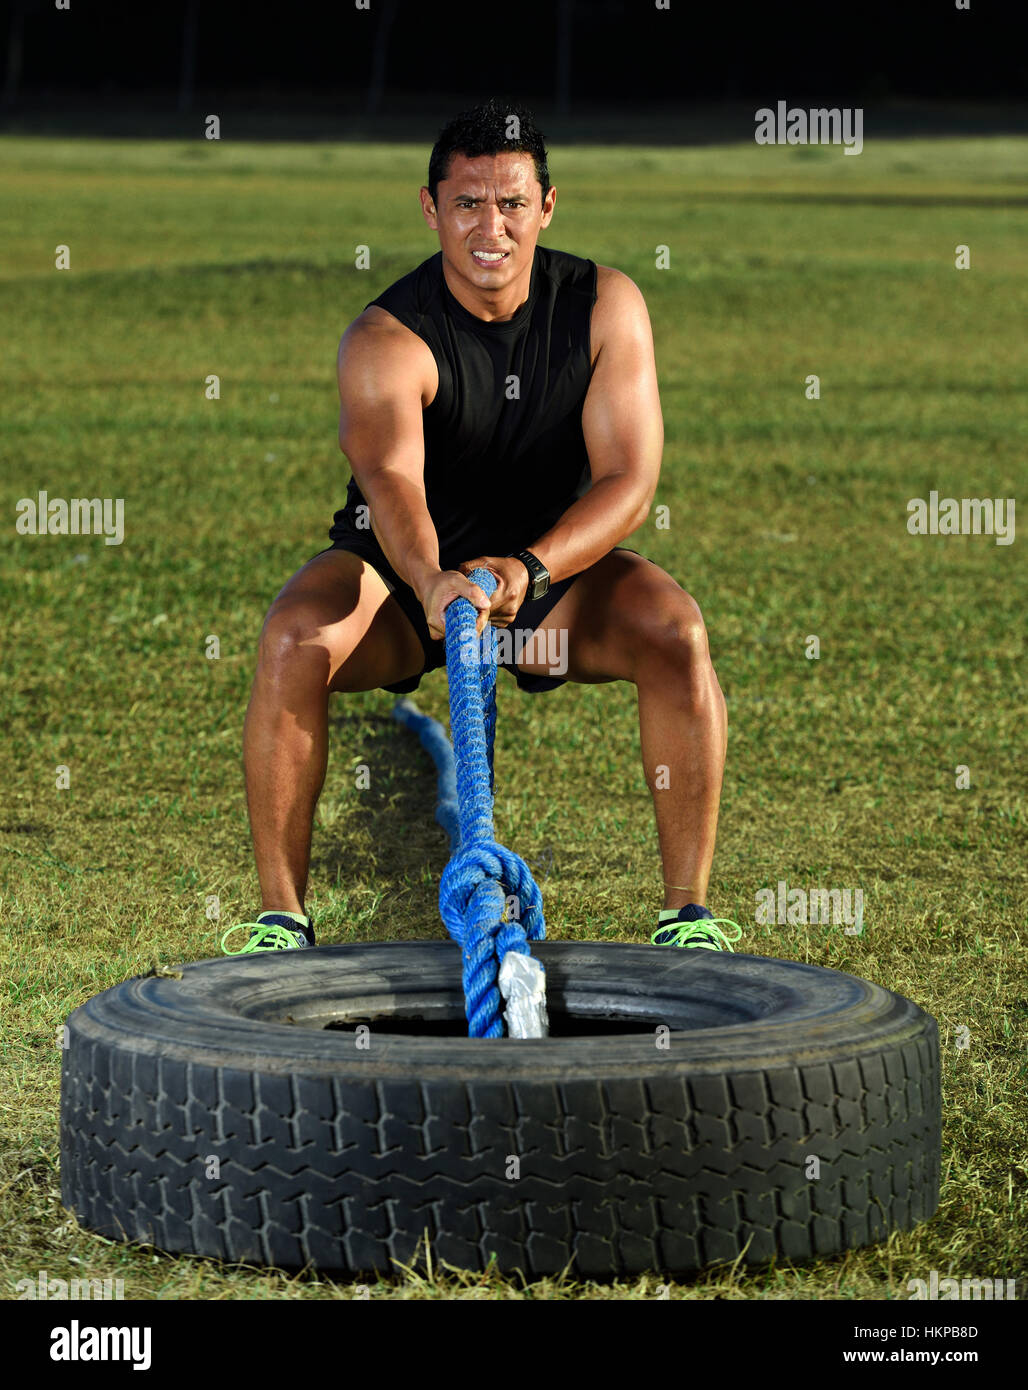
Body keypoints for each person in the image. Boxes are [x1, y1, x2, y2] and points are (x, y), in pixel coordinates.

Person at [221, 99, 741, 958]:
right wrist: (430, 582)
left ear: (546, 205)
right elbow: (389, 480)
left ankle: (687, 916)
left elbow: (628, 482)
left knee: (676, 631)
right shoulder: (386, 336)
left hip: (547, 585)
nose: (489, 227)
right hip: (404, 582)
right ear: (430, 209)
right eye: (466, 204)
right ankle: (281, 921)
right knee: (291, 638)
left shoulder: (606, 305)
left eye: (510, 203)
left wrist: (530, 571)